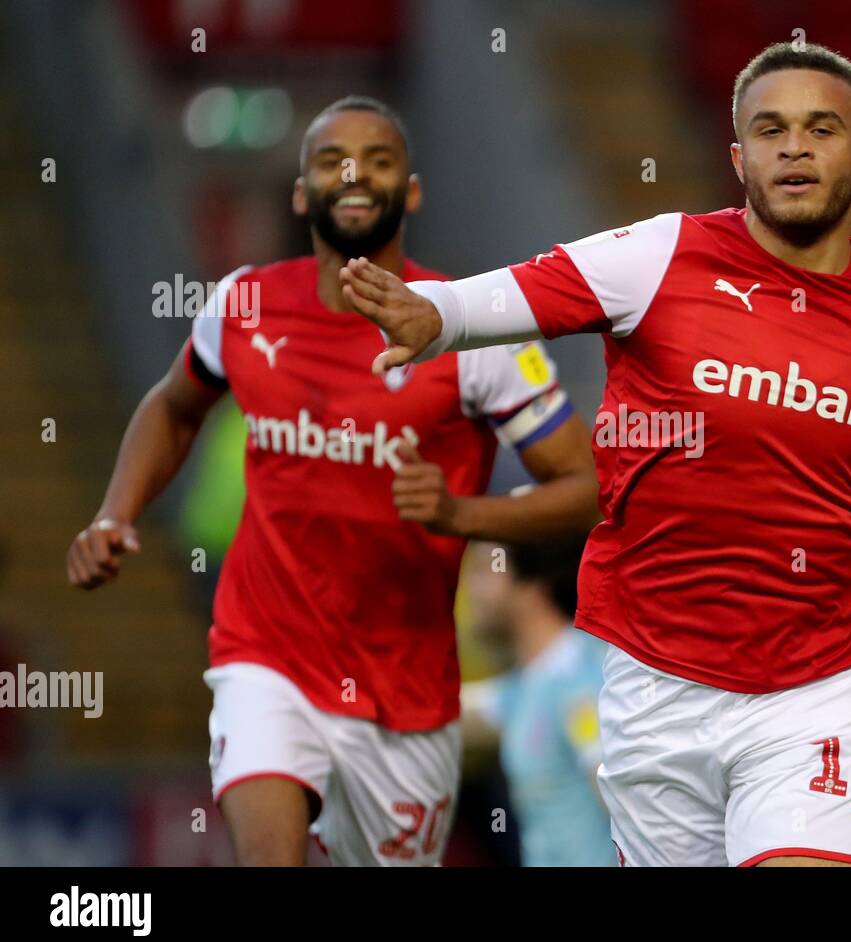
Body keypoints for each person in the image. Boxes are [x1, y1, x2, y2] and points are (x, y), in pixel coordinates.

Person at [342, 43, 851, 867]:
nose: (793, 147)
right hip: (651, 682)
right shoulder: (659, 257)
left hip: (816, 690)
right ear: (738, 156)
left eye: (820, 128)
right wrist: (430, 314)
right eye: (770, 129)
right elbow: (514, 292)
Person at [66, 96, 600, 866]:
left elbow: (583, 490)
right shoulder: (243, 303)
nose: (353, 176)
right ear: (300, 191)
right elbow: (173, 407)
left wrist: (461, 512)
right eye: (330, 160)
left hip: (404, 690)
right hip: (266, 651)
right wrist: (116, 513)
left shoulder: (473, 329)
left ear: (410, 191)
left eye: (378, 161)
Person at [460, 536, 613, 866]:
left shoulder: (579, 674)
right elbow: (448, 715)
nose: (470, 588)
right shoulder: (525, 686)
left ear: (529, 583)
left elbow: (621, 803)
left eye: (483, 570)